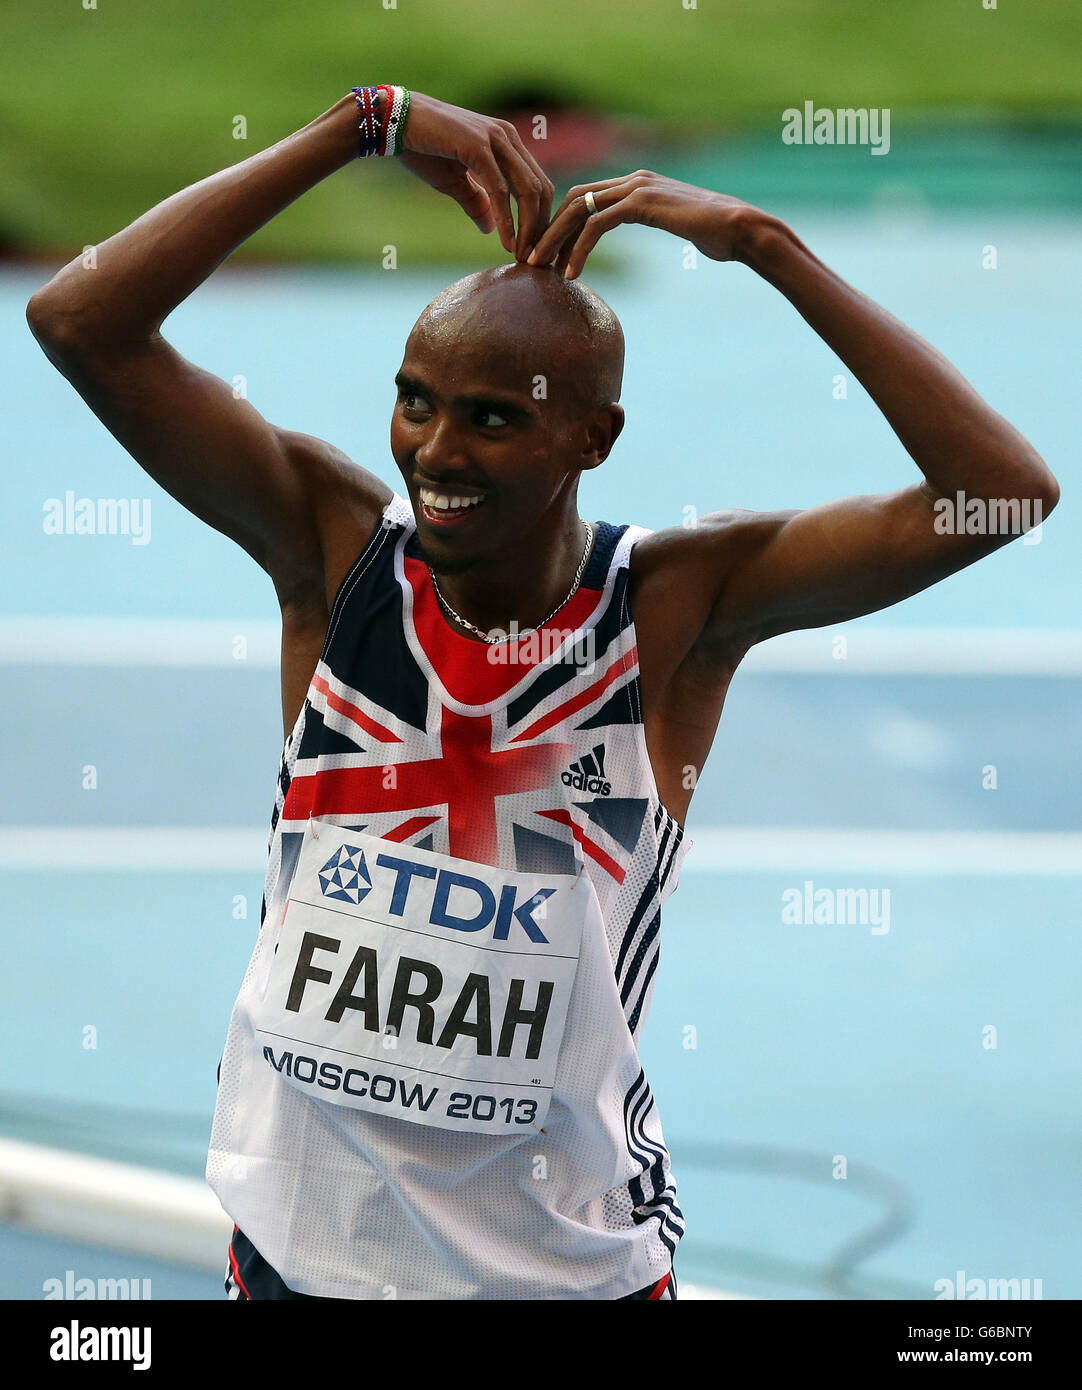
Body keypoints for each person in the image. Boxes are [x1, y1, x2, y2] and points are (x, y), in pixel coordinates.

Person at [26, 86, 1058, 1302]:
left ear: (593, 438)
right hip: (303, 1255)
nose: (436, 451)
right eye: (416, 398)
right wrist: (361, 125)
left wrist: (767, 249)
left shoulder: (675, 610)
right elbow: (80, 320)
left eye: (493, 418)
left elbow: (999, 490)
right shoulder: (335, 551)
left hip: (562, 1276)